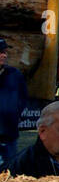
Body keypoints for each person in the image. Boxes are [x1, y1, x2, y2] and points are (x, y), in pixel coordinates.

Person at [0, 36, 28, 168]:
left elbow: (23, 98)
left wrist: (15, 114)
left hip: (9, 133)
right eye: (0, 52)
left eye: (5, 52)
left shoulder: (15, 74)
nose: (4, 55)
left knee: (10, 170)